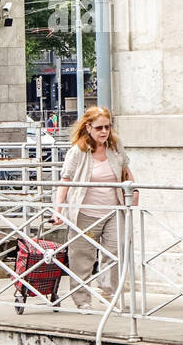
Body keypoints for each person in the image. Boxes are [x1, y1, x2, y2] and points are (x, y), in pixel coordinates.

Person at [50, 107, 139, 309]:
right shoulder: (78, 152)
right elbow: (65, 181)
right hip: (85, 214)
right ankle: (82, 301)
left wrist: (134, 192)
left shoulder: (115, 148)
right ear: (88, 127)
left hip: (113, 211)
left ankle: (111, 295)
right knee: (82, 256)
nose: (104, 131)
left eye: (107, 127)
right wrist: (58, 210)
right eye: (99, 127)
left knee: (115, 252)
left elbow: (126, 172)